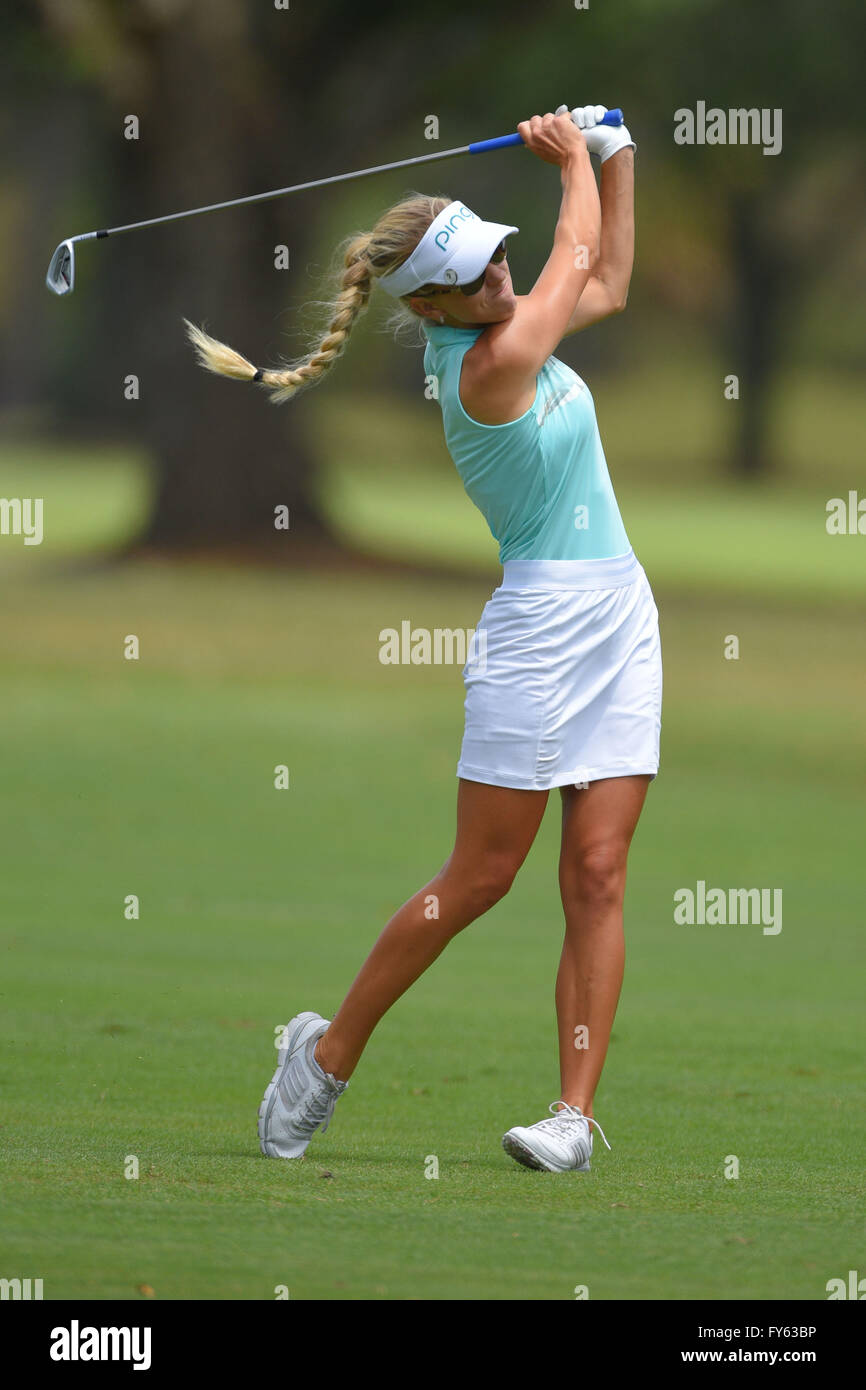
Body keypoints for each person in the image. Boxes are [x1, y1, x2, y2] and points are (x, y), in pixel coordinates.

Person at [184, 106, 661, 1174]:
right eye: (478, 271)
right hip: (537, 631)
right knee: (482, 876)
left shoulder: (512, 323)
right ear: (434, 305)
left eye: (497, 253)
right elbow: (576, 251)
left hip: (621, 616)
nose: (502, 271)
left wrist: (617, 151)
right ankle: (325, 1055)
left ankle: (571, 1119)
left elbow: (612, 278)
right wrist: (572, 160)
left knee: (597, 871)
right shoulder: (483, 369)